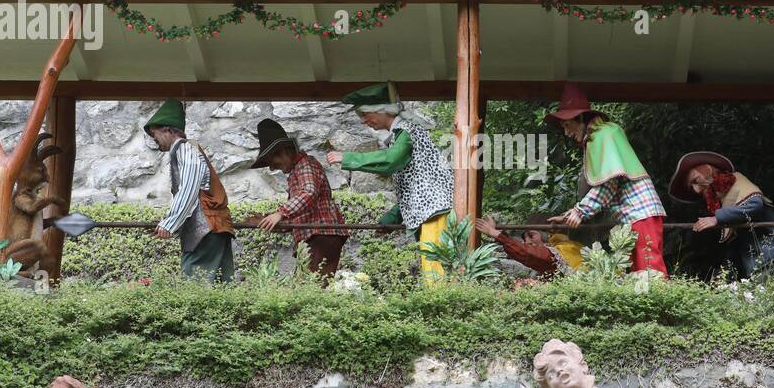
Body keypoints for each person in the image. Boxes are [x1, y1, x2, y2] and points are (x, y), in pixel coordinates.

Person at [326, 82, 453, 283]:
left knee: (435, 271)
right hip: (430, 210)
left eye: (365, 114)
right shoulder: (401, 134)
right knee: (432, 269)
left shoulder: (407, 131)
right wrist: (392, 218)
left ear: (383, 111)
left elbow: (390, 161)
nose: (363, 121)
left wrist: (348, 158)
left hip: (434, 211)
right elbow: (416, 186)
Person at [545, 82, 668, 276]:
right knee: (640, 273)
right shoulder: (601, 135)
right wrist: (572, 214)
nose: (567, 133)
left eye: (568, 125)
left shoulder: (604, 134)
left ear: (580, 118)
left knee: (650, 269)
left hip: (641, 213)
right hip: (635, 216)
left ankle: (662, 305)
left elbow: (608, 185)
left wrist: (579, 212)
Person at [143, 99, 236, 282]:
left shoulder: (185, 148)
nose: (155, 140)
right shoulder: (189, 149)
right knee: (221, 291)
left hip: (206, 229)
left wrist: (170, 223)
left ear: (167, 130)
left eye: (155, 134)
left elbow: (189, 188)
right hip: (215, 227)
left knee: (194, 288)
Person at [669, 151, 774, 277]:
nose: (696, 190)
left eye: (695, 181)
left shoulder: (736, 179)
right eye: (691, 187)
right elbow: (735, 240)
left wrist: (717, 218)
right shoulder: (719, 199)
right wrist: (725, 271)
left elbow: (755, 204)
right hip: (758, 262)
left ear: (707, 169)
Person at [247, 118, 348, 280]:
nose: (272, 167)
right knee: (306, 287)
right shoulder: (297, 171)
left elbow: (309, 192)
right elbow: (300, 213)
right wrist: (269, 221)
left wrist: (280, 213)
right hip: (314, 236)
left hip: (322, 235)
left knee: (311, 288)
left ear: (284, 152)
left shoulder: (305, 165)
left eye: (272, 161)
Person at [473, 214, 583, 280]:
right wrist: (499, 234)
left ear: (548, 233)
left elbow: (528, 253)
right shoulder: (564, 245)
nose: (527, 242)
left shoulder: (566, 248)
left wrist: (495, 233)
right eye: (525, 238)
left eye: (531, 235)